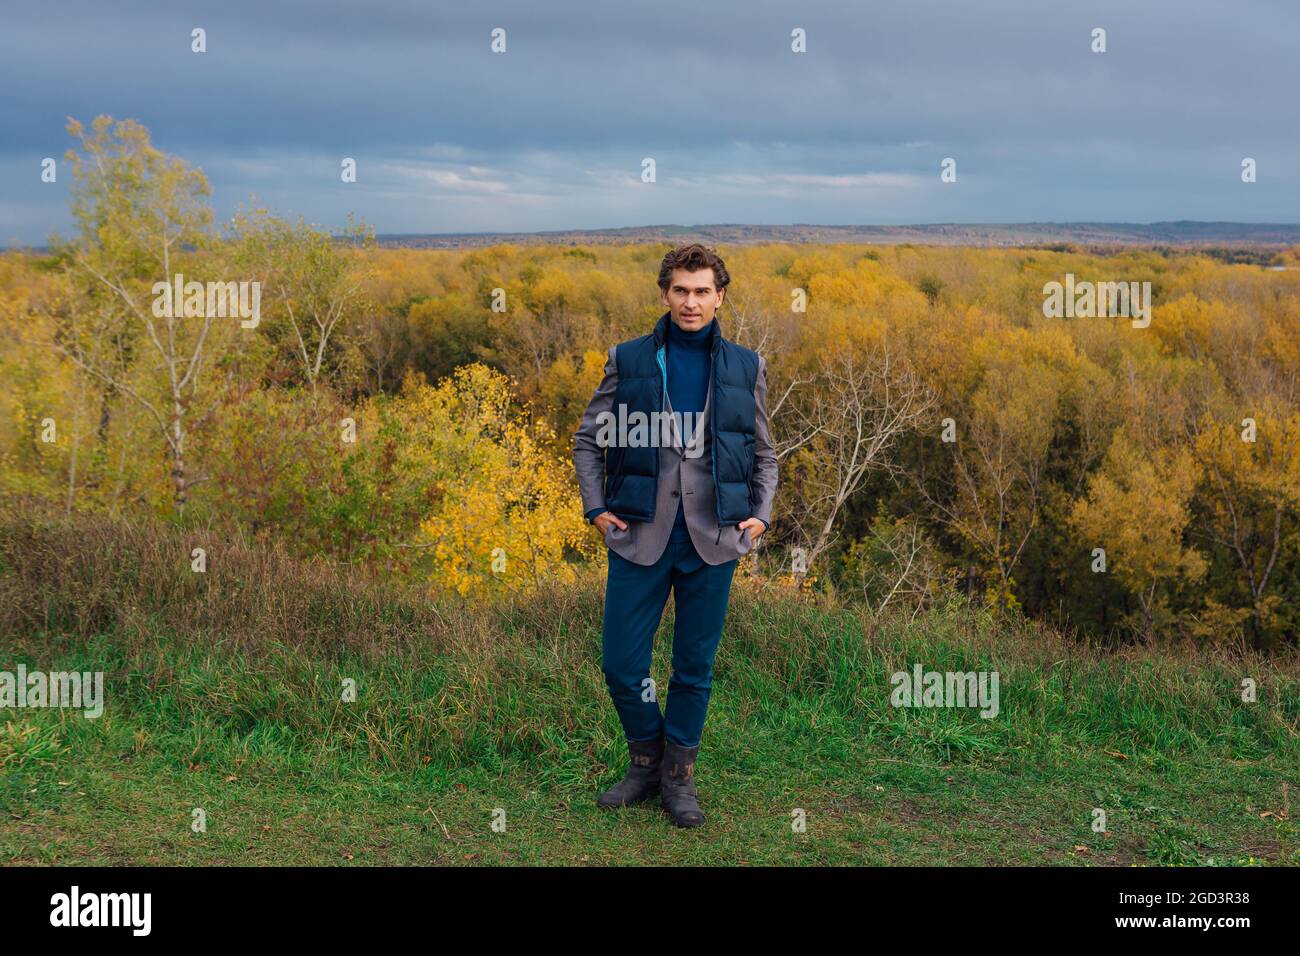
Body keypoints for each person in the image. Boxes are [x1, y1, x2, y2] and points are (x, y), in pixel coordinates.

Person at [572, 243, 778, 827]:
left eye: (702, 291)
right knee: (621, 662)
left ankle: (678, 779)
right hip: (640, 532)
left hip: (713, 539)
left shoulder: (746, 366)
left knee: (694, 666)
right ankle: (646, 758)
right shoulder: (630, 359)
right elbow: (589, 441)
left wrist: (761, 514)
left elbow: (764, 453)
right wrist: (595, 508)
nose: (691, 302)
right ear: (665, 294)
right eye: (681, 290)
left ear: (720, 296)